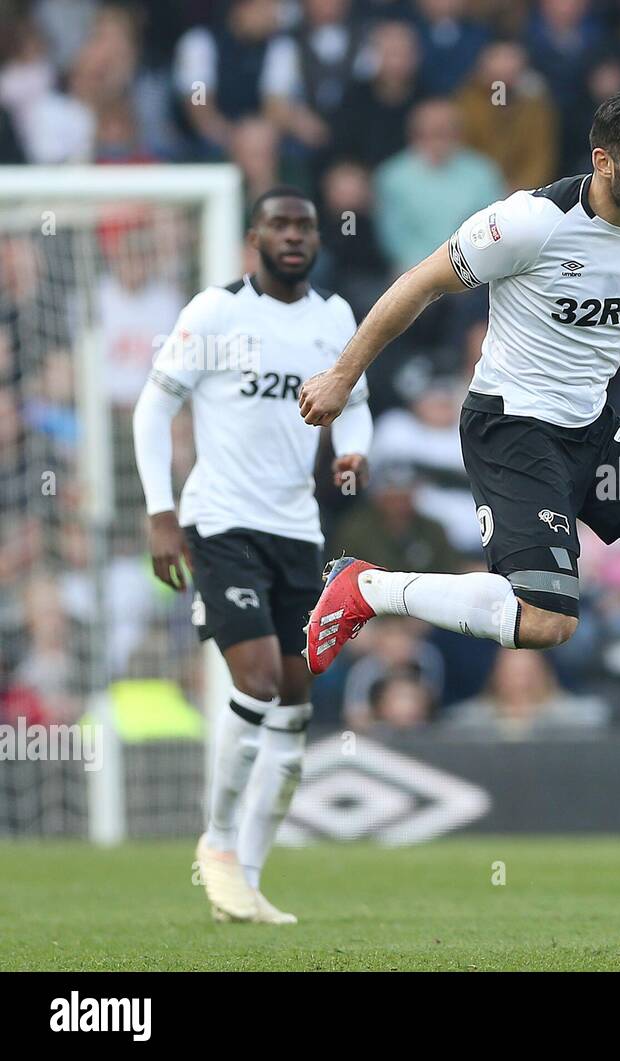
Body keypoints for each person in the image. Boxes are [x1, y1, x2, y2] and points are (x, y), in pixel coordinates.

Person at [298, 90, 620, 800]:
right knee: (546, 622)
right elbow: (419, 285)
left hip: (595, 437)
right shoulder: (529, 223)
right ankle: (367, 587)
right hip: (514, 432)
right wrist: (342, 375)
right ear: (603, 161)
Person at [132, 187, 373, 924]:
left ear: (317, 240)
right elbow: (153, 406)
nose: (293, 236)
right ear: (254, 238)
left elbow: (356, 401)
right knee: (259, 680)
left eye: (305, 226)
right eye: (279, 225)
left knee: (296, 713)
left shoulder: (335, 318)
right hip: (221, 522)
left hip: (296, 532)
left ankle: (249, 880)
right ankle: (216, 844)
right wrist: (161, 512)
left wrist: (353, 450)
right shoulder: (216, 313)